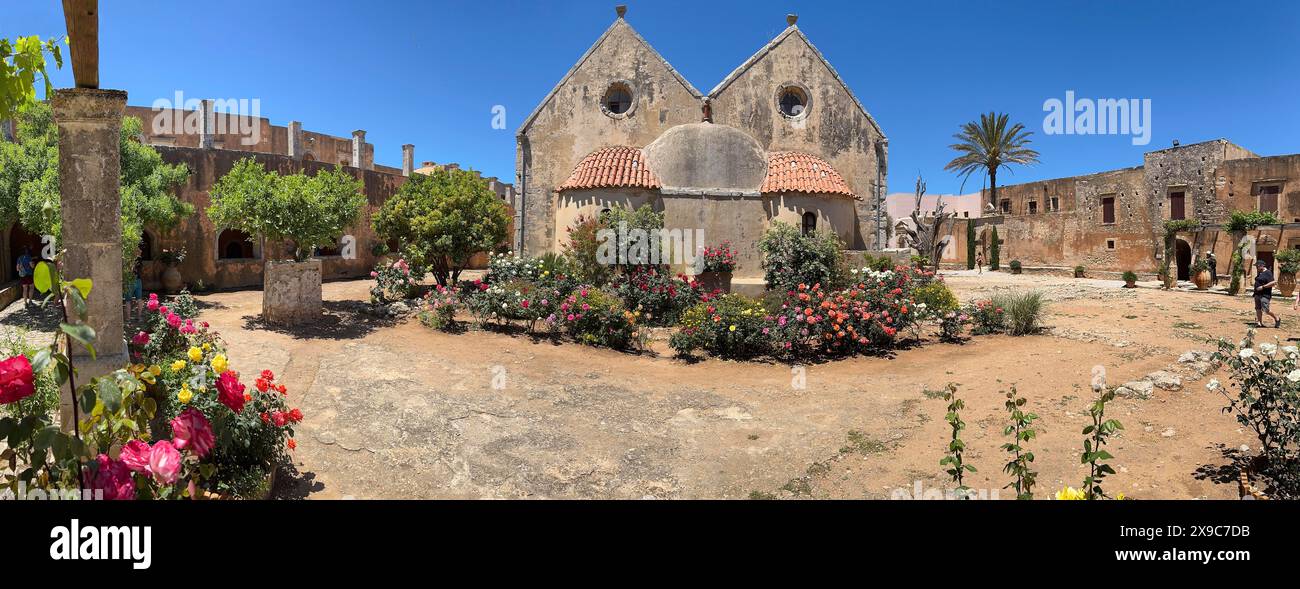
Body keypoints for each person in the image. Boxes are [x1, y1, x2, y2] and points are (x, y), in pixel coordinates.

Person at [1254, 260, 1280, 328]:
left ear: (1262, 266)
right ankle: (1259, 323)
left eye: (1258, 266)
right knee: (1258, 309)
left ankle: (1277, 318)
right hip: (1257, 294)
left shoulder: (1268, 273)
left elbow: (1273, 282)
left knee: (1266, 309)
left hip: (1265, 295)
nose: (1256, 267)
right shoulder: (1260, 273)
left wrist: (1263, 287)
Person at [124, 247, 144, 320]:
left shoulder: (128, 260)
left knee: (128, 300)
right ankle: (139, 317)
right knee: (139, 299)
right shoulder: (140, 261)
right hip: (138, 280)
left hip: (130, 281)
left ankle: (128, 318)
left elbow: (128, 270)